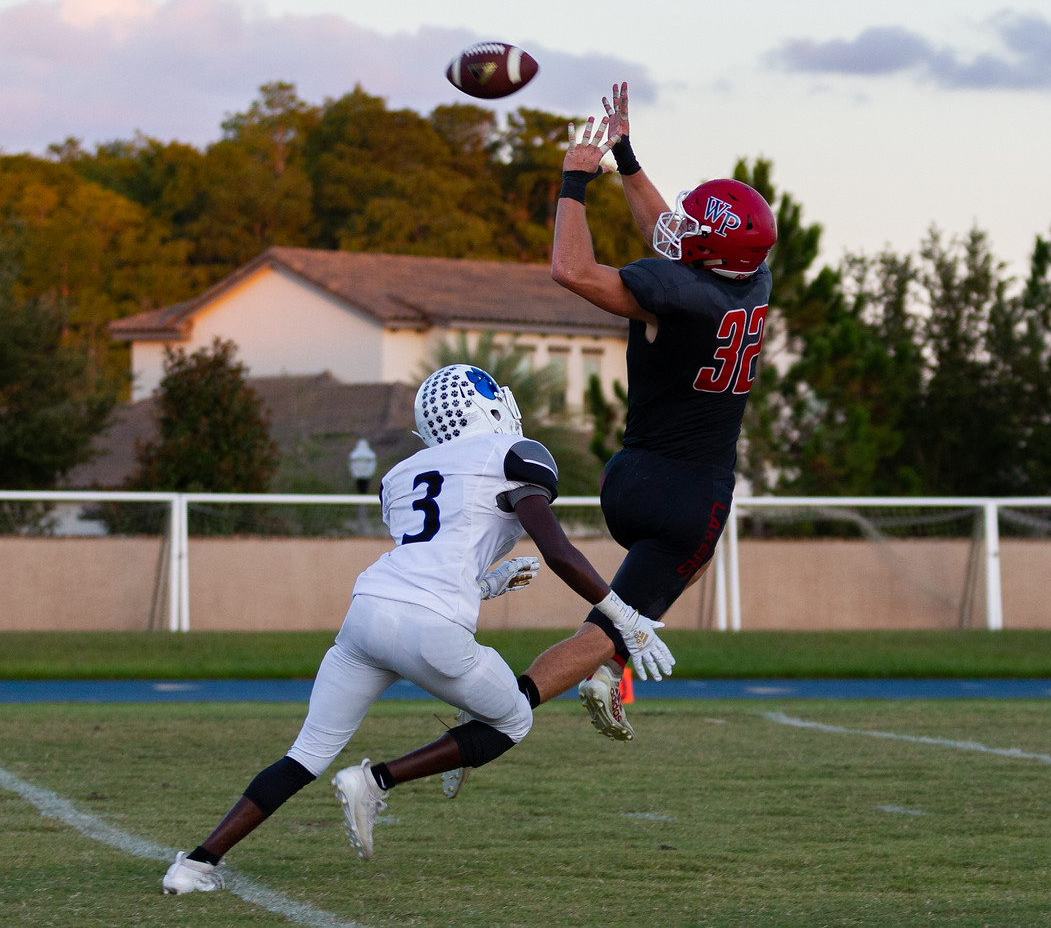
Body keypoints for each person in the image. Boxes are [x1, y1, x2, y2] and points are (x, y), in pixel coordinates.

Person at [161, 363, 675, 893]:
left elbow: (430, 555)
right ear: (485, 406)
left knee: (306, 754)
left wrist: (487, 584)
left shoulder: (400, 475)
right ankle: (376, 779)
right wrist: (624, 615)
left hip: (367, 612)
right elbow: (559, 552)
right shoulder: (516, 454)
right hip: (429, 628)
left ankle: (195, 865)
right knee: (512, 721)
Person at [520, 83, 777, 742]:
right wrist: (623, 164)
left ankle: (608, 671)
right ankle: (506, 707)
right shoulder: (751, 281)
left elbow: (585, 265)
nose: (680, 227)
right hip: (690, 497)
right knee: (613, 628)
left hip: (627, 479)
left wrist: (576, 181)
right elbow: (636, 245)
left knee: (616, 624)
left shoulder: (679, 291)